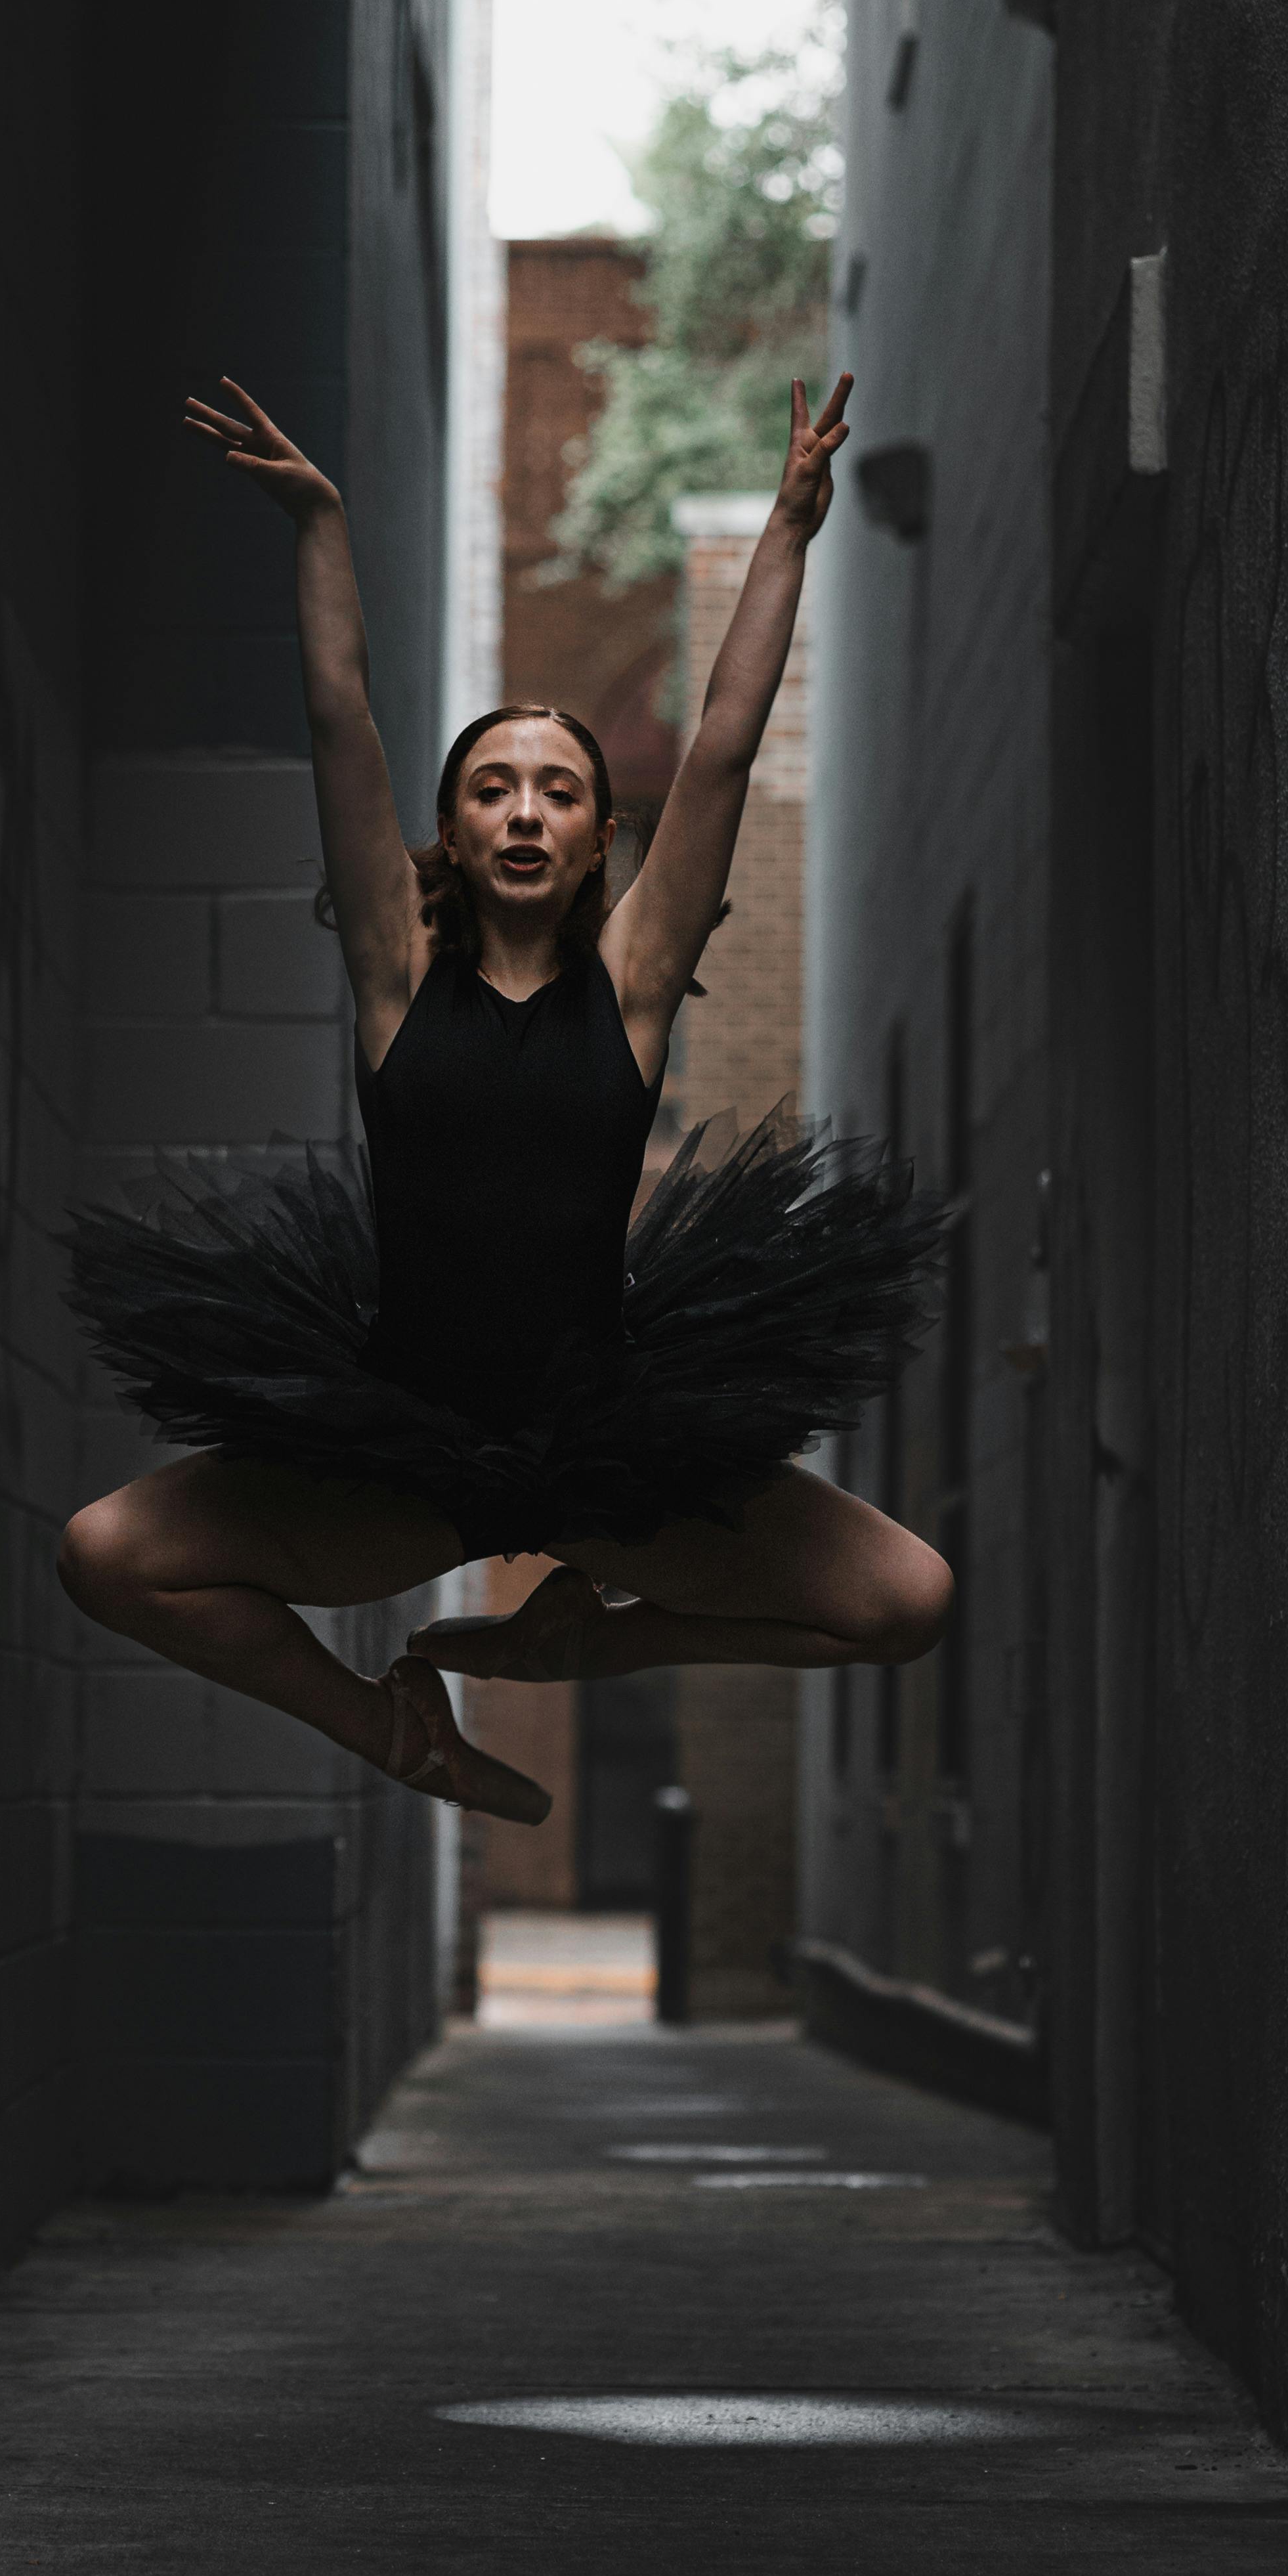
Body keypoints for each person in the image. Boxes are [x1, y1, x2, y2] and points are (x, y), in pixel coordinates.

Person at [60, 370, 951, 1822]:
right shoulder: (394, 977)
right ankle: (388, 1728)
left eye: (552, 789)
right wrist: (318, 521)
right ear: (453, 830)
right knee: (105, 1552)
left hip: (606, 1444)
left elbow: (720, 746)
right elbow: (339, 721)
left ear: (599, 835)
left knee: (905, 1598)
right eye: (490, 788)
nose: (522, 810)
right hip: (397, 1444)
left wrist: (789, 526)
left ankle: (575, 1643)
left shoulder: (638, 983)